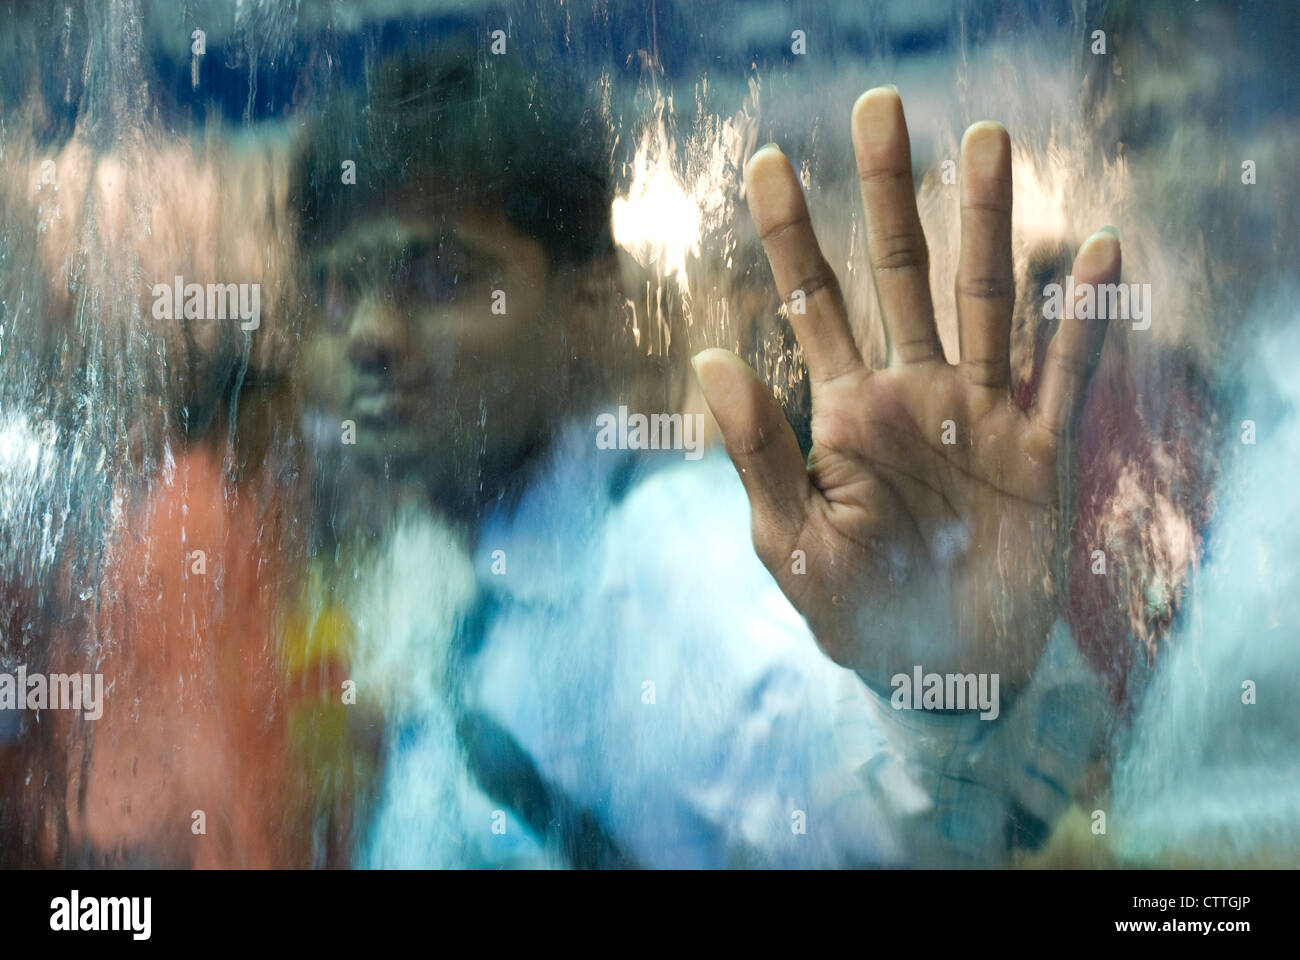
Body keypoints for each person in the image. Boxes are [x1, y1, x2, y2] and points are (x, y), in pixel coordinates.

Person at [280, 48, 1120, 867]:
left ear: (587, 306)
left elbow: (865, 810)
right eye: (337, 288)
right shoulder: (445, 576)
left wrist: (942, 687)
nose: (369, 336)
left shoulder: (669, 560)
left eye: (439, 276)